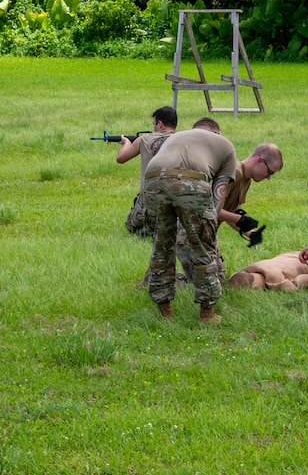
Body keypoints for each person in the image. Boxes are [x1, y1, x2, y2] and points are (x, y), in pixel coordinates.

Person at [143, 128, 283, 322]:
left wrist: (247, 229)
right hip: (189, 183)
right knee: (204, 251)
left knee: (161, 246)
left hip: (152, 178)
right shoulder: (231, 160)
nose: (268, 178)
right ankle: (207, 314)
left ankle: (164, 312)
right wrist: (211, 235)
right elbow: (213, 206)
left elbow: (224, 210)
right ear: (260, 160)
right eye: (270, 172)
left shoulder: (207, 148)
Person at [117, 106, 177, 237]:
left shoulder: (144, 139)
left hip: (149, 200)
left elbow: (121, 158)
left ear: (160, 124)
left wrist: (126, 143)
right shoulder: (184, 140)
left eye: (154, 124)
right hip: (177, 199)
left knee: (132, 226)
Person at [228, 251, 308, 292]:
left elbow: (295, 285)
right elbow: (236, 276)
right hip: (295, 255)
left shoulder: (274, 279)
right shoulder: (250, 268)